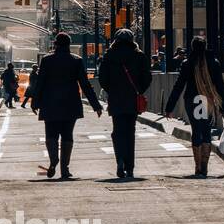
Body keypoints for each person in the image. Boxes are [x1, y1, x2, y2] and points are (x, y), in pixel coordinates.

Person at [28, 32, 102, 180]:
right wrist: (96, 105)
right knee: (67, 135)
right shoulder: (76, 61)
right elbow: (85, 85)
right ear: (69, 45)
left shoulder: (47, 60)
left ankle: (53, 159)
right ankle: (65, 169)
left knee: (51, 134)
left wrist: (35, 101)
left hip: (50, 103)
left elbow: (40, 83)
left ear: (55, 44)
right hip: (70, 103)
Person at [164, 36, 224, 178]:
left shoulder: (187, 63)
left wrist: (169, 107)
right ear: (205, 46)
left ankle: (197, 165)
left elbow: (179, 85)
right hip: (208, 100)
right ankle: (205, 166)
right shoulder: (214, 63)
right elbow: (220, 86)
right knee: (206, 130)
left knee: (196, 129)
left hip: (192, 100)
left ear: (192, 47)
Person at [97, 29, 153, 181]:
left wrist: (112, 90)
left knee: (118, 131)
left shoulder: (109, 56)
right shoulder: (139, 55)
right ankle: (130, 167)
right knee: (130, 132)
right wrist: (139, 90)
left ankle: (120, 160)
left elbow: (102, 78)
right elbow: (147, 77)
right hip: (132, 99)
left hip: (116, 99)